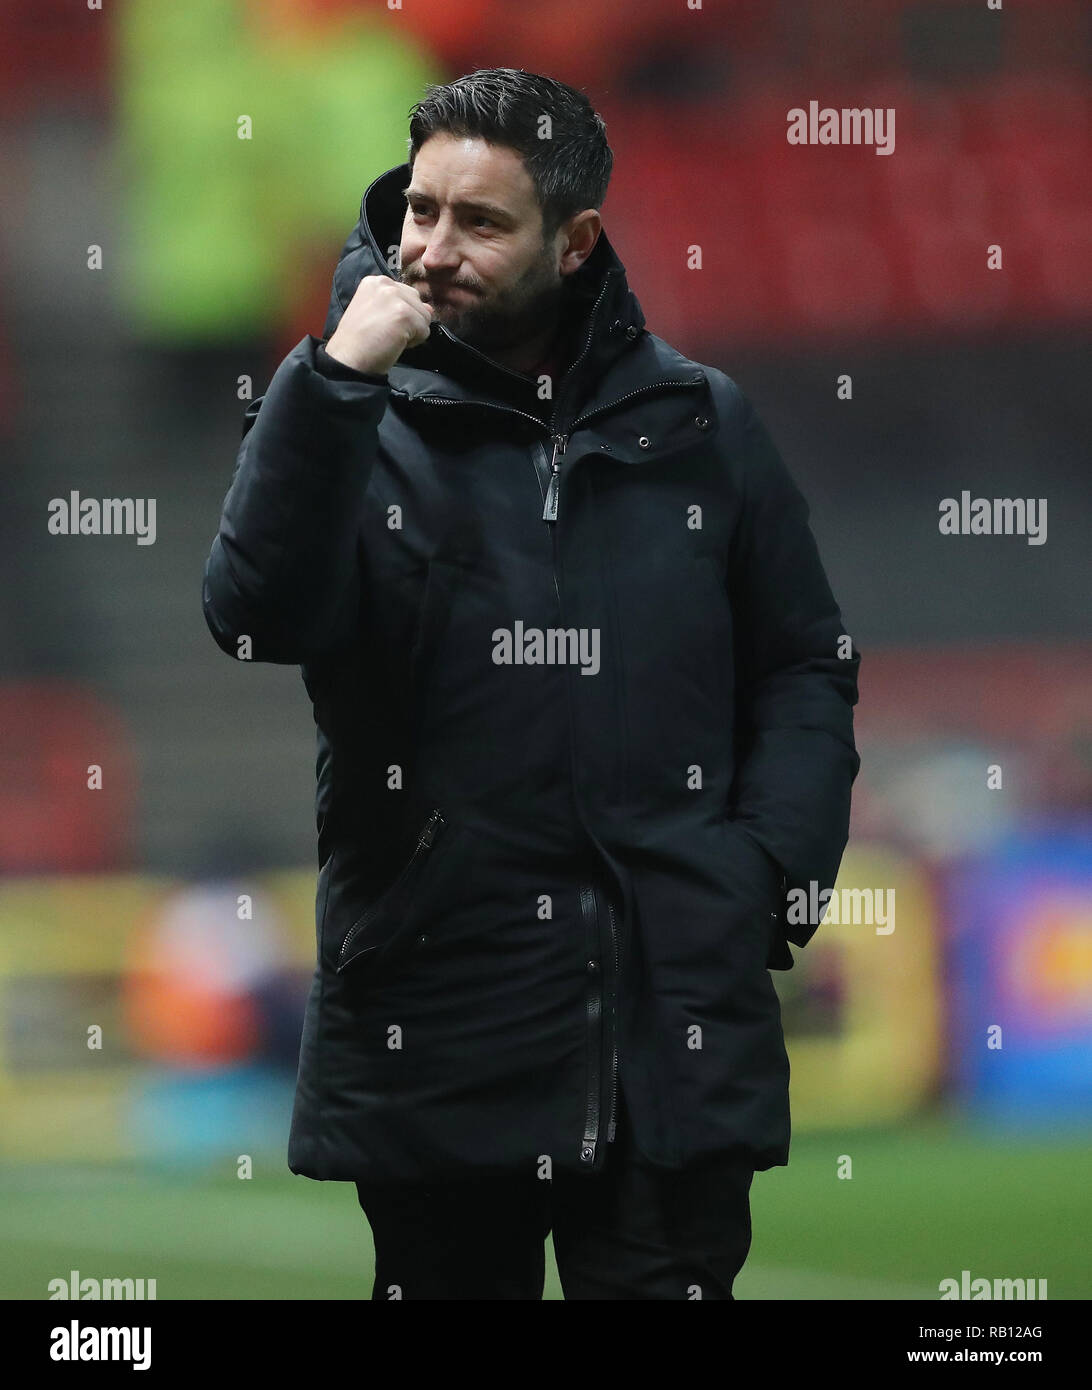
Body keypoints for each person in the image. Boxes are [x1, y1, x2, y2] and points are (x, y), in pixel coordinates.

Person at [202, 67, 861, 1299]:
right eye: (420, 210)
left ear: (576, 244)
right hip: (438, 1029)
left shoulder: (702, 423)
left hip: (672, 1044)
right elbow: (252, 616)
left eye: (480, 221)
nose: (433, 247)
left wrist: (764, 879)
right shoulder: (347, 414)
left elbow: (805, 671)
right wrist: (337, 377)